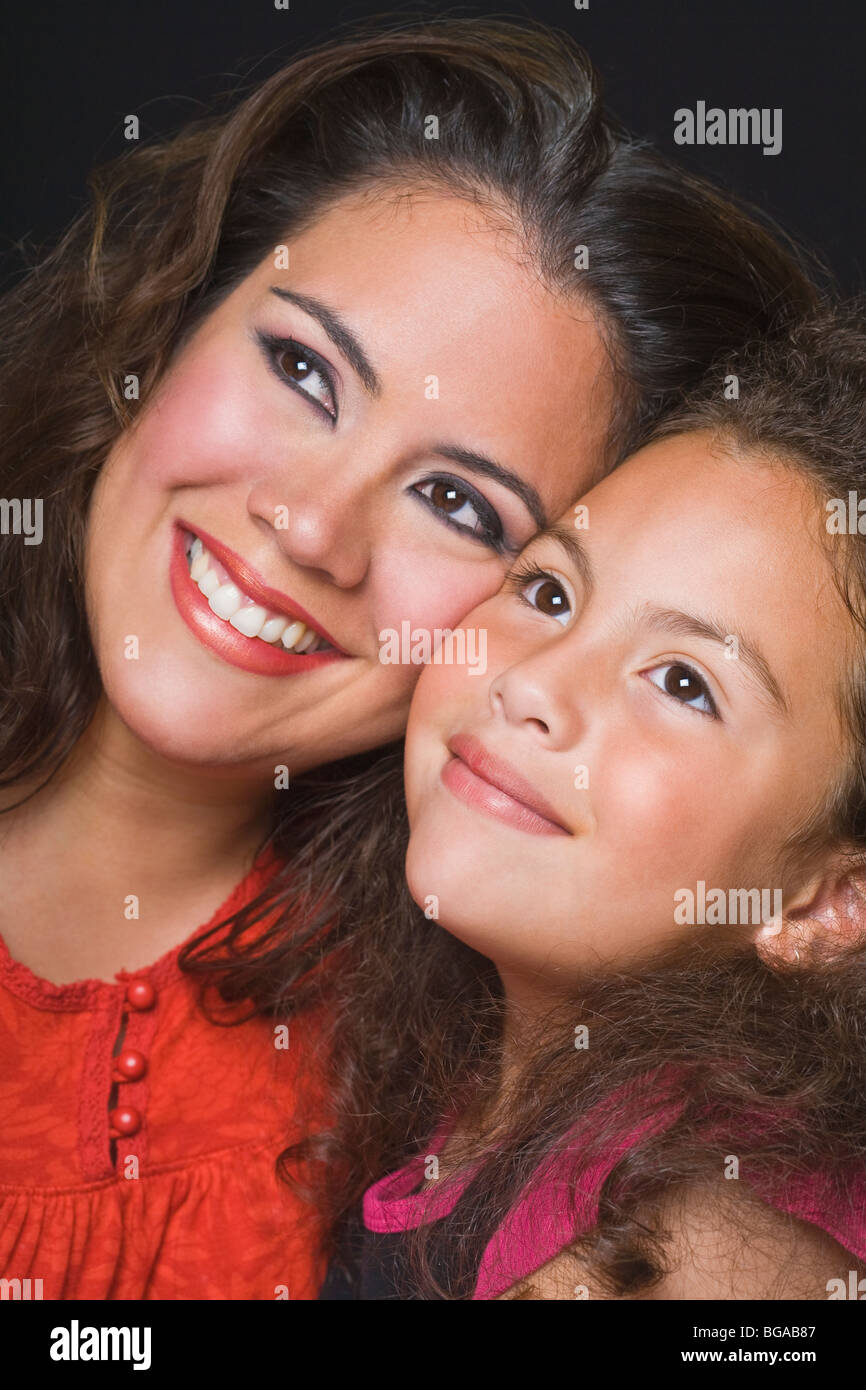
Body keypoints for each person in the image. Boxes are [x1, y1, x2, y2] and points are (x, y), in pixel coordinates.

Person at [0, 18, 820, 1299]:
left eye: (461, 506)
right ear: (164, 324)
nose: (310, 526)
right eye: (299, 368)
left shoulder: (480, 1121)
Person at [294, 302, 866, 1300]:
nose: (534, 684)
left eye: (682, 682)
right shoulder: (476, 1082)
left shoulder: (704, 1240)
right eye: (550, 593)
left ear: (823, 905)